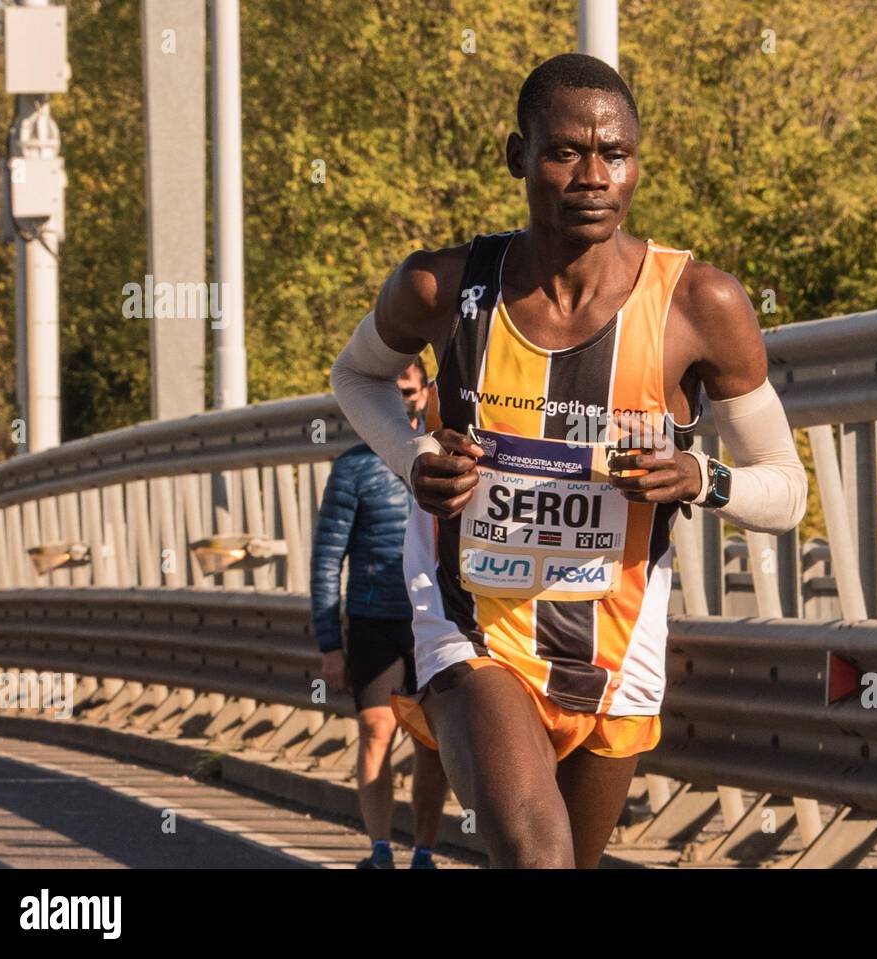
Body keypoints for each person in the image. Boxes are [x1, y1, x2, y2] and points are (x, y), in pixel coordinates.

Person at [331, 53, 806, 868]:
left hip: (617, 649)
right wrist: (413, 457)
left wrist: (701, 477)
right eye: (565, 153)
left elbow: (788, 490)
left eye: (614, 154)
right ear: (519, 157)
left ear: (636, 163)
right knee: (536, 855)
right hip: (474, 628)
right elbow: (356, 375)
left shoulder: (700, 305)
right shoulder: (443, 289)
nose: (593, 176)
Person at [311, 357, 449, 869]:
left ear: (426, 392)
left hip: (435, 622)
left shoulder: (448, 456)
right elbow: (327, 558)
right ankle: (379, 849)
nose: (403, 402)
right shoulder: (352, 467)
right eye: (392, 393)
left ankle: (424, 852)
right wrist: (329, 643)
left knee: (434, 745)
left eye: (410, 392)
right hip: (372, 621)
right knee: (376, 731)